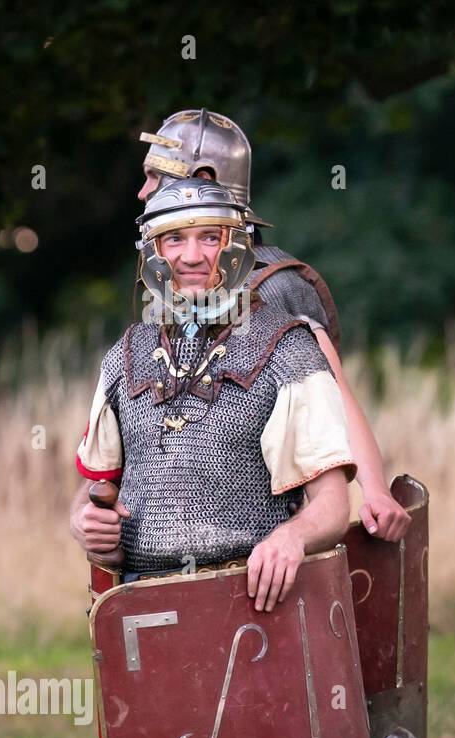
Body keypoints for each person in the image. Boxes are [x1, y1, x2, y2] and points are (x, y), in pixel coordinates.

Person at [69, 178, 356, 614]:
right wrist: (84, 522)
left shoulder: (287, 349)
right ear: (154, 253)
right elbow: (96, 486)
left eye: (209, 237)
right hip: (143, 603)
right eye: (175, 240)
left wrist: (291, 537)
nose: (191, 256)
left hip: (254, 600)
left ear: (237, 246)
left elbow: (333, 502)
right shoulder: (126, 356)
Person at [137, 109, 407, 540]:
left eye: (154, 176)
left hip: (266, 533)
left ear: (204, 176)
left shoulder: (271, 286)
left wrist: (373, 489)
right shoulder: (179, 285)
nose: (142, 192)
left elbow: (332, 391)